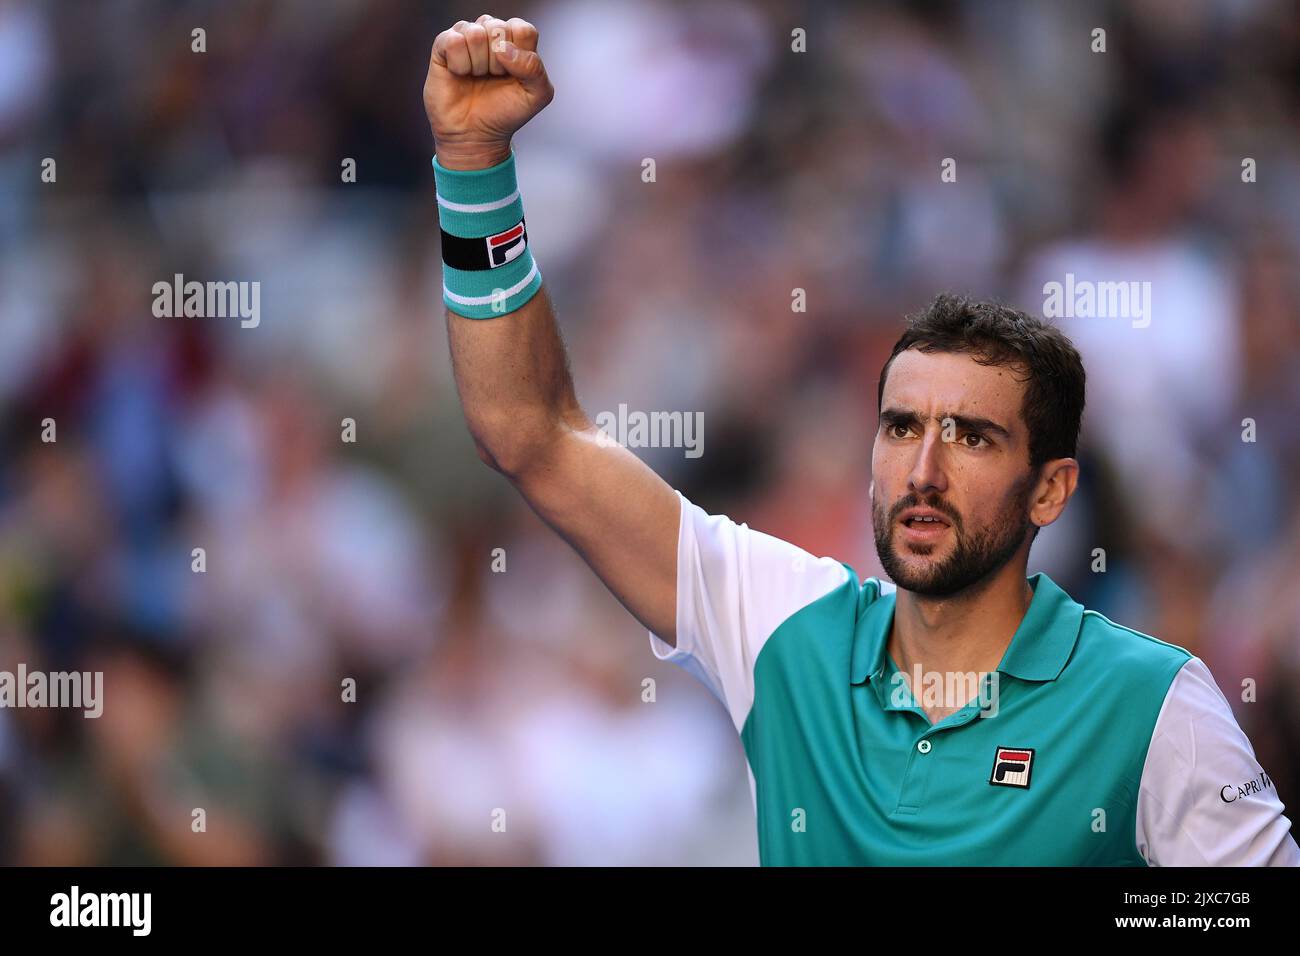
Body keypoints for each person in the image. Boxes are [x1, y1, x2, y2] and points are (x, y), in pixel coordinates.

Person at [423, 14, 1300, 866]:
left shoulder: (1152, 704)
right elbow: (527, 432)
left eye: (972, 439)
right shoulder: (784, 627)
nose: (923, 471)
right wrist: (474, 168)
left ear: (1051, 490)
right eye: (901, 427)